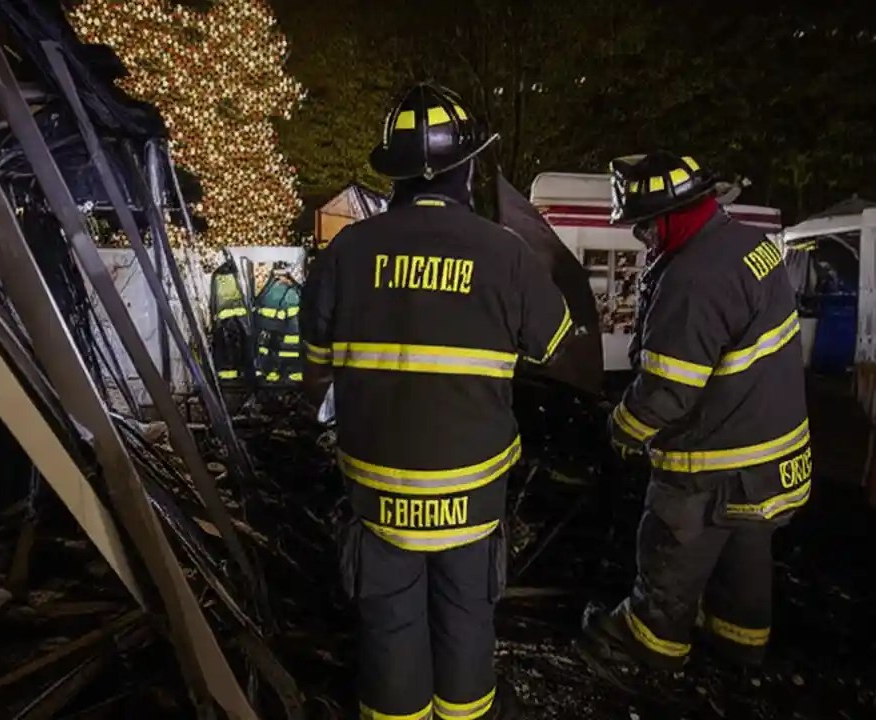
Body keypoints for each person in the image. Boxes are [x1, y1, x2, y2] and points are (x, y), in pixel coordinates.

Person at [300, 82, 572, 720]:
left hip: (379, 496)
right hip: (472, 497)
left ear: (391, 171)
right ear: (467, 167)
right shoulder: (506, 253)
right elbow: (556, 348)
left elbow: (315, 380)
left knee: (390, 632)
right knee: (466, 625)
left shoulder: (346, 252)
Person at [579, 152, 811, 680]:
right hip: (773, 459)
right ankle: (739, 649)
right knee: (745, 559)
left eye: (643, 227)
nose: (642, 238)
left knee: (669, 558)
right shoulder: (749, 244)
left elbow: (666, 392)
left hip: (711, 465)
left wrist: (620, 430)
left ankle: (647, 647)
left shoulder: (691, 279)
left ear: (667, 215)